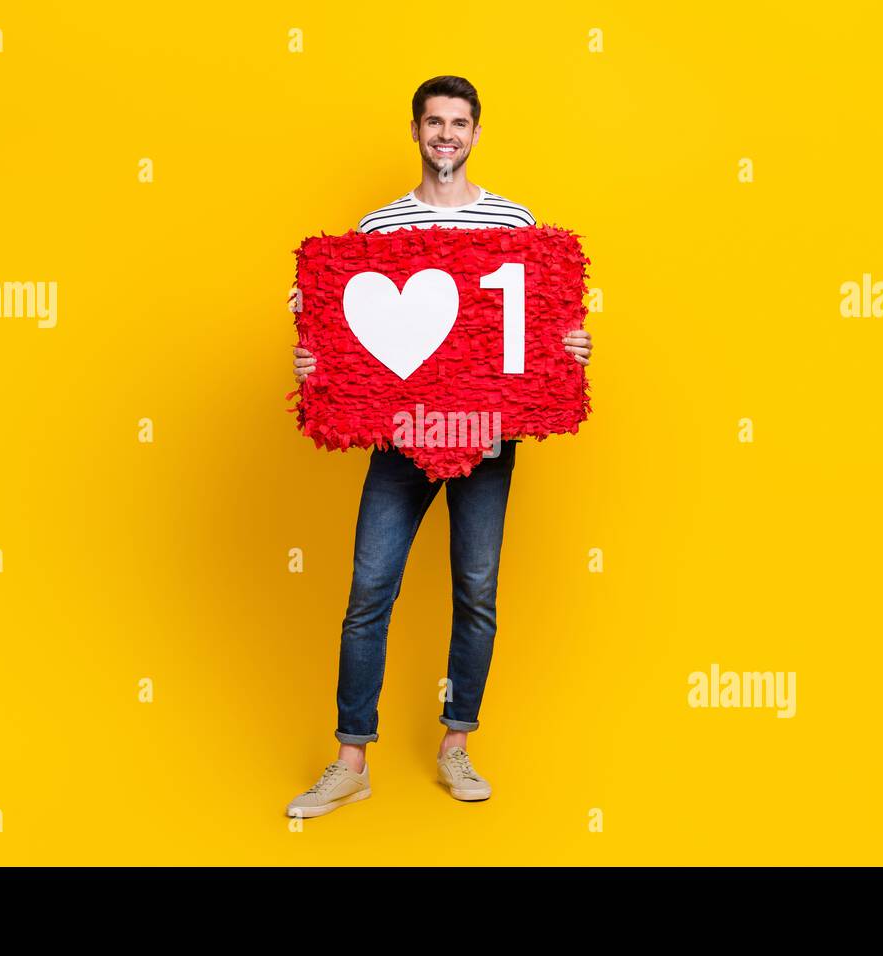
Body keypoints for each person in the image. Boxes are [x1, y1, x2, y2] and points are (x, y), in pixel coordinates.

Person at [286, 76, 593, 818]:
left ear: (477, 132)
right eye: (435, 122)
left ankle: (456, 747)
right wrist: (316, 355)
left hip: (485, 438)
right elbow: (355, 334)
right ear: (417, 130)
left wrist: (567, 347)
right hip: (402, 438)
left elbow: (530, 326)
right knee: (369, 592)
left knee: (476, 591)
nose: (447, 134)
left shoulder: (513, 219)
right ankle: (351, 758)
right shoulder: (381, 226)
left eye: (460, 123)